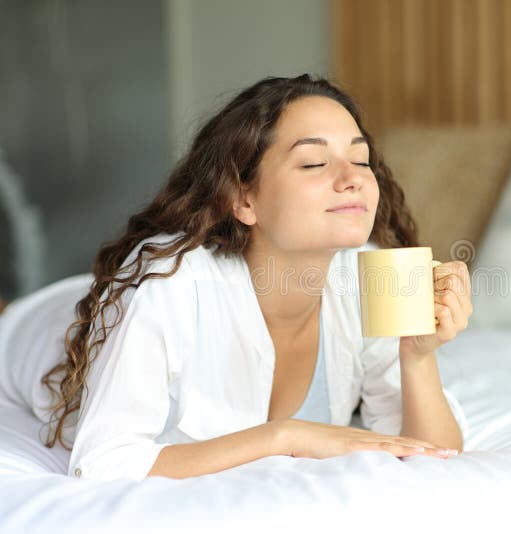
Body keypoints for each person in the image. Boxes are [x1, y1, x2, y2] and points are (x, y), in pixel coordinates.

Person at [35, 74, 472, 481]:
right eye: (313, 163)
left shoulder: (371, 277)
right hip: (42, 326)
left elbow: (435, 454)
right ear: (244, 199)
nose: (352, 178)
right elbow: (102, 461)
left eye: (361, 159)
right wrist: (285, 437)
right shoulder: (166, 284)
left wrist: (417, 356)